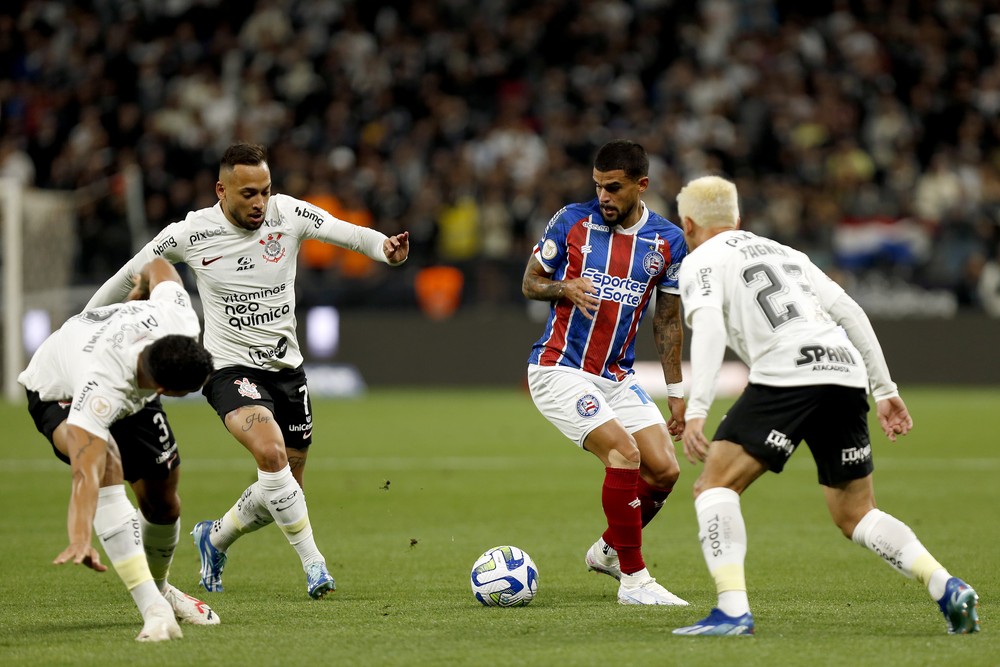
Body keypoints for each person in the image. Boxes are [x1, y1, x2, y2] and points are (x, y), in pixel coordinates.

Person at [86, 142, 410, 599]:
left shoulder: (288, 215)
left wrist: (386, 249)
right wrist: (85, 322)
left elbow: (346, 233)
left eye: (265, 191)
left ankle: (214, 538)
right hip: (228, 369)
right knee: (271, 453)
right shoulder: (190, 233)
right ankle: (315, 565)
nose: (260, 202)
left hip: (288, 371)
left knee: (282, 486)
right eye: (248, 194)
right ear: (222, 190)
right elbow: (127, 276)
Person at [670, 175, 980, 636]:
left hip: (787, 374)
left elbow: (711, 328)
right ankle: (946, 585)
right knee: (856, 514)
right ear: (738, 218)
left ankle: (732, 611)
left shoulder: (699, 262)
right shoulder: (786, 253)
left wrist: (697, 409)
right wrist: (885, 389)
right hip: (844, 372)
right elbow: (851, 312)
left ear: (688, 224)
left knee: (713, 487)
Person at [522, 139, 689, 606]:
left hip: (617, 376)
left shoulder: (668, 241)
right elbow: (530, 281)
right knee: (623, 451)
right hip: (559, 369)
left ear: (642, 186)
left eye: (613, 188)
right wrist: (562, 286)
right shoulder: (571, 221)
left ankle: (610, 551)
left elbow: (668, 319)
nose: (603, 197)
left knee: (665, 470)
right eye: (597, 186)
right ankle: (635, 582)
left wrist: (676, 389)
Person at [19, 257, 216, 642]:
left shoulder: (180, 321)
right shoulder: (101, 389)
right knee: (104, 457)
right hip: (59, 390)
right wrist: (80, 537)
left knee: (164, 501)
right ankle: (154, 611)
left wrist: (142, 284)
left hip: (130, 384)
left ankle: (160, 587)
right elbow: (84, 470)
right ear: (165, 390)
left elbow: (159, 264)